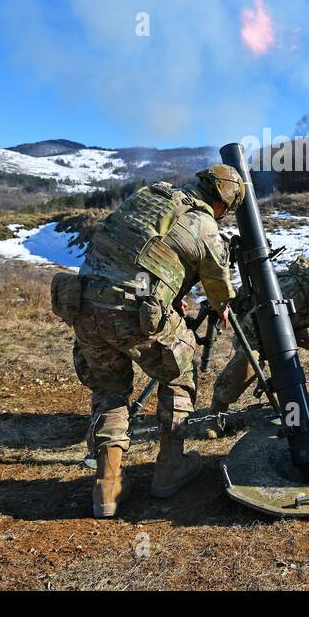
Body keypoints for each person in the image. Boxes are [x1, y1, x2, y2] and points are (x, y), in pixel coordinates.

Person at [51, 164, 243, 519]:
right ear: (223, 204)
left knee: (110, 389)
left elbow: (135, 255)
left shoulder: (149, 197)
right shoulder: (205, 226)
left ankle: (107, 486)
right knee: (179, 373)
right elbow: (219, 287)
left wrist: (164, 291)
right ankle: (171, 468)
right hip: (135, 314)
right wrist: (222, 306)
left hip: (84, 304)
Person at [208, 247, 309, 425]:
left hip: (296, 328)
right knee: (249, 360)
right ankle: (216, 413)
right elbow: (254, 322)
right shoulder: (292, 292)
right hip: (259, 330)